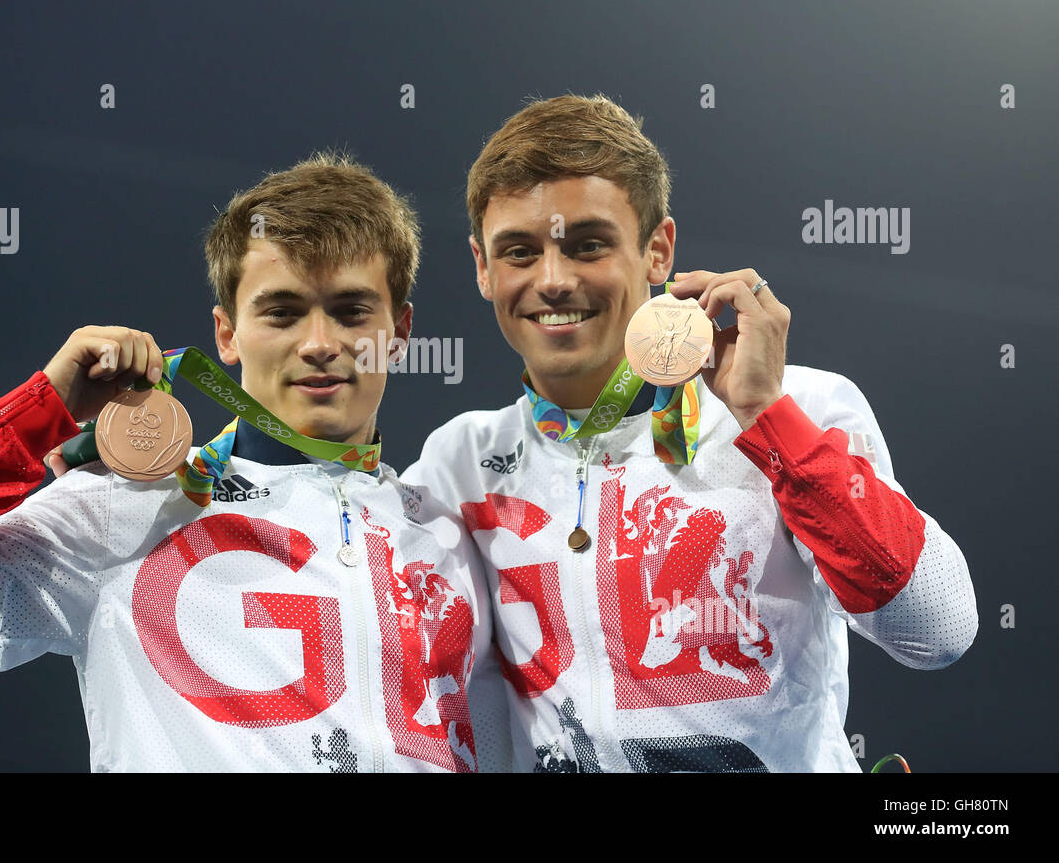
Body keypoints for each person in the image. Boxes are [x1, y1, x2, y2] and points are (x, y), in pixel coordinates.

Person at [0, 150, 510, 773]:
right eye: (281, 313)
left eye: (351, 311)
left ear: (401, 333)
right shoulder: (129, 508)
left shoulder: (452, 538)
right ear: (227, 334)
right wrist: (38, 415)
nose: (319, 344)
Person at [401, 94, 978, 772]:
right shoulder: (459, 463)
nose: (552, 281)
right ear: (481, 266)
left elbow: (937, 631)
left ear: (657, 250)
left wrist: (766, 416)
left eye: (588, 245)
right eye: (519, 252)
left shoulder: (800, 408)